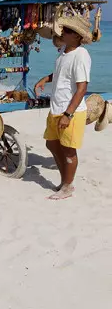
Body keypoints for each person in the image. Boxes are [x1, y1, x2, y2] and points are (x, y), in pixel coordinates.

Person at [34, 15, 92, 200]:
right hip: (56, 107)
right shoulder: (64, 51)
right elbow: (60, 72)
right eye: (64, 29)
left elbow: (82, 88)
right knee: (51, 143)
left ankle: (67, 186)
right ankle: (65, 181)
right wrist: (45, 79)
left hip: (70, 111)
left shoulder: (81, 55)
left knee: (68, 150)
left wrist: (68, 114)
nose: (62, 33)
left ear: (77, 36)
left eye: (67, 31)